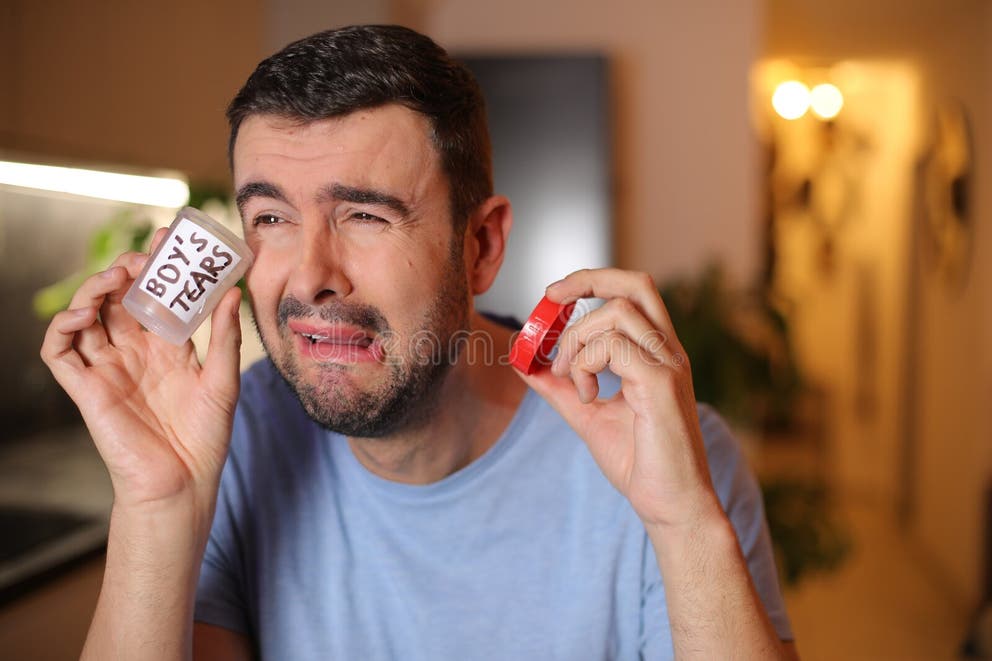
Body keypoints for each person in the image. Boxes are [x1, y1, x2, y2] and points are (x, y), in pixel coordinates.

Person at [41, 24, 798, 661]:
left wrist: (684, 524)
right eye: (270, 217)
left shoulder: (671, 455)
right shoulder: (231, 443)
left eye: (365, 216)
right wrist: (157, 504)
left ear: (480, 245)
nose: (311, 278)